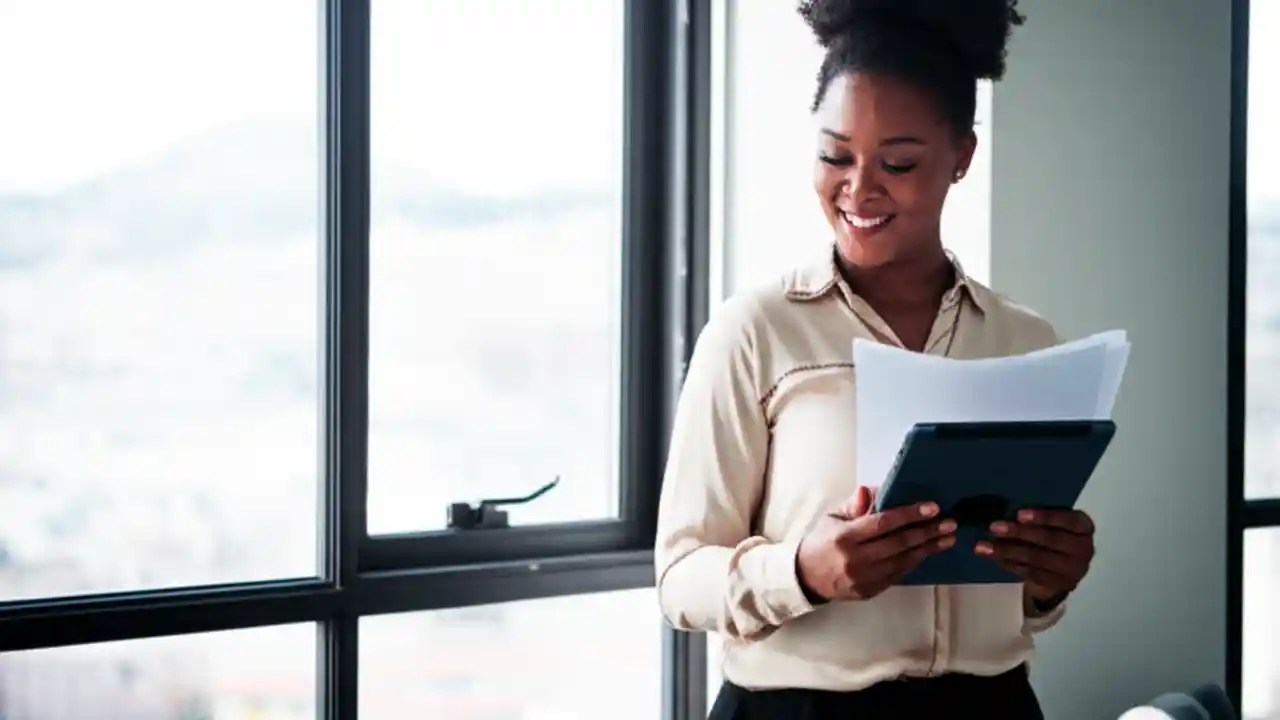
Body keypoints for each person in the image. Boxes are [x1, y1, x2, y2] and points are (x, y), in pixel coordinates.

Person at [653, 1, 1097, 718]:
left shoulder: (1025, 342)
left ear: (961, 156)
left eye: (897, 163)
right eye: (834, 156)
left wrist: (1052, 578)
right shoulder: (754, 332)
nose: (858, 189)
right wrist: (802, 572)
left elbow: (1026, 602)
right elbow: (679, 577)